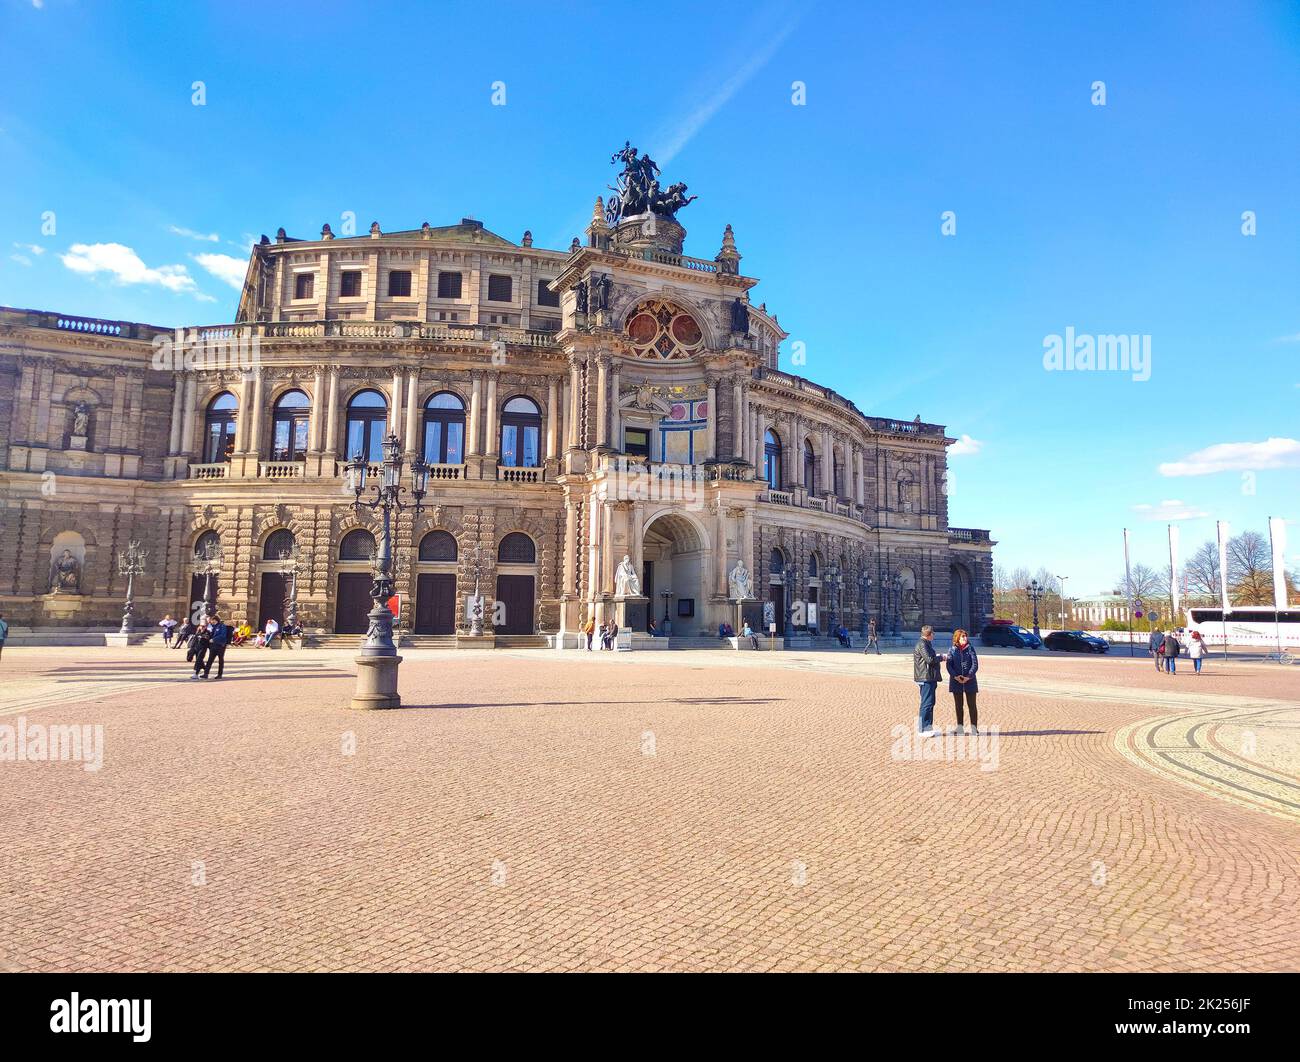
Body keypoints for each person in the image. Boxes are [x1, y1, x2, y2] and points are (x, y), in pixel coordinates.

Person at [913, 624, 947, 736]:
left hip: (929, 676)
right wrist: (941, 657)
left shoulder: (926, 643)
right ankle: (923, 729)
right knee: (926, 703)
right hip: (925, 677)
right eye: (933, 634)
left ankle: (928, 727)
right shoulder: (922, 644)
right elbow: (929, 660)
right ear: (929, 634)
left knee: (930, 702)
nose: (934, 636)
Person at [946, 628, 980, 734]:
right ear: (957, 638)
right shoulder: (952, 649)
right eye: (963, 636)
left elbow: (975, 664)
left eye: (966, 636)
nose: (965, 638)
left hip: (970, 681)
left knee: (972, 705)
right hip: (956, 681)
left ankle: (974, 728)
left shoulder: (970, 648)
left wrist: (969, 676)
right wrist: (955, 676)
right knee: (958, 705)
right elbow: (949, 665)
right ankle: (960, 727)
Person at [200, 613, 231, 680]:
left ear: (216, 620)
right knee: (210, 660)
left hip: (220, 645)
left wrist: (214, 639)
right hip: (213, 646)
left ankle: (220, 674)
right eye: (211, 620)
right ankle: (206, 674)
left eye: (213, 620)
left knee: (220, 660)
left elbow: (222, 635)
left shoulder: (222, 626)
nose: (212, 622)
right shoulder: (213, 627)